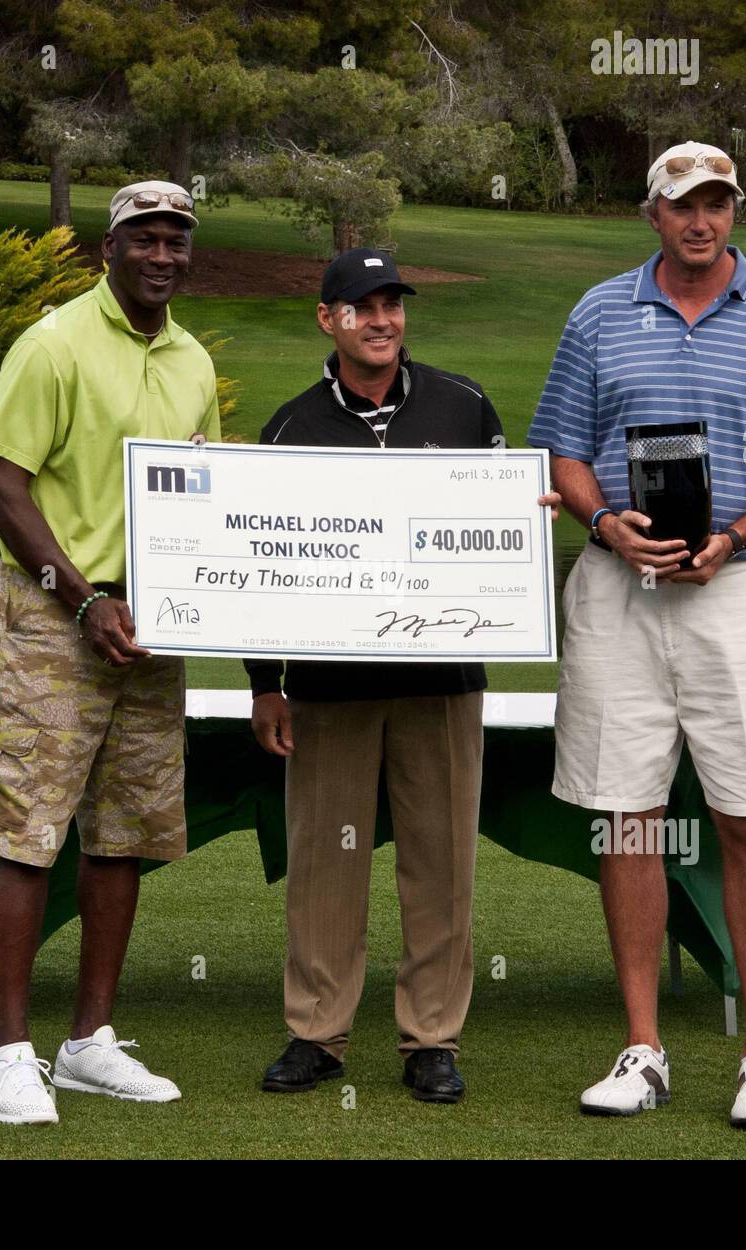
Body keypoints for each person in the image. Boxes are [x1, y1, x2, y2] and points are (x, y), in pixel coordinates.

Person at [528, 141, 746, 1130]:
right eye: (683, 204)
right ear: (653, 213)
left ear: (734, 209)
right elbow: (566, 449)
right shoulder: (598, 311)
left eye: (717, 202)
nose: (701, 220)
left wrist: (736, 533)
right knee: (626, 813)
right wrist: (601, 522)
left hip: (741, 585)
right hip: (617, 586)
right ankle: (643, 1047)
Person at [247, 248, 558, 1103]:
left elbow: (506, 527)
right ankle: (317, 1032)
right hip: (328, 686)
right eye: (362, 306)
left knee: (440, 858)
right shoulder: (290, 427)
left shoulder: (464, 406)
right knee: (324, 861)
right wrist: (262, 683)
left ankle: (432, 1037)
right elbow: (255, 566)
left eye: (393, 304)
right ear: (328, 319)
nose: (382, 319)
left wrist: (527, 526)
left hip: (443, 676)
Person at [0, 181, 220, 1123]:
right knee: (26, 826)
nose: (163, 255)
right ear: (106, 250)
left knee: (124, 834)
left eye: (176, 241)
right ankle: (10, 1051)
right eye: (145, 240)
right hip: (52, 618)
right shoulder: (53, 344)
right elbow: (1, 489)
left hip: (153, 628)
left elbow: (203, 495)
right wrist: (84, 602)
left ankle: (88, 1043)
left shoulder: (193, 358)